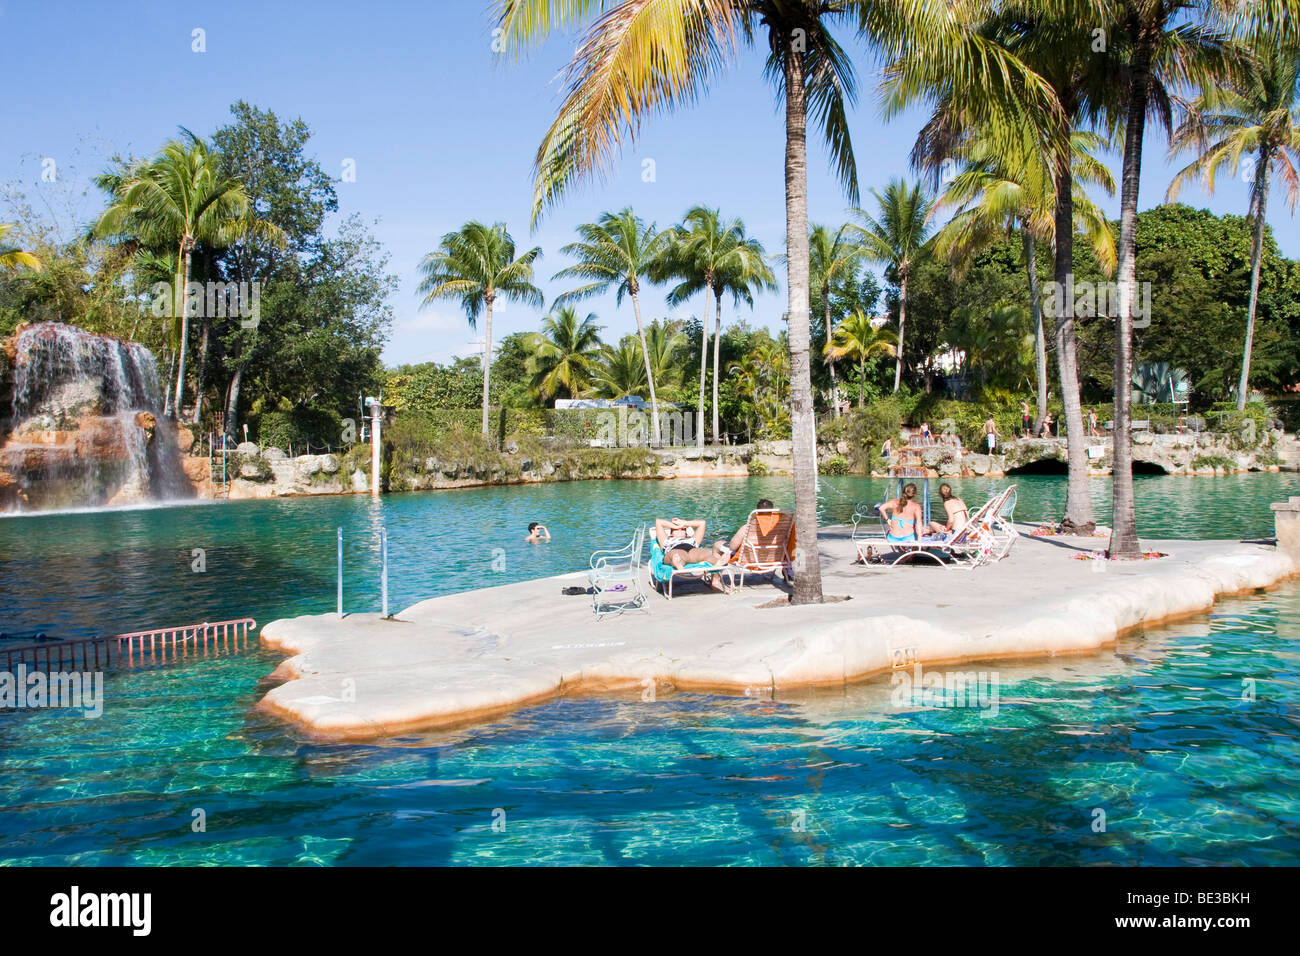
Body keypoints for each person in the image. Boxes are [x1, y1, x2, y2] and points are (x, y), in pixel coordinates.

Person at [654, 517, 726, 570]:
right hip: (674, 550)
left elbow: (702, 523)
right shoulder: (666, 540)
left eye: (682, 529)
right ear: (671, 533)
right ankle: (679, 564)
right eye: (676, 530)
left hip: (691, 551)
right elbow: (658, 522)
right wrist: (678, 526)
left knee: (703, 552)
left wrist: (684, 523)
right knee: (676, 555)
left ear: (686, 533)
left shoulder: (692, 539)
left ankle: (718, 562)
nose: (679, 530)